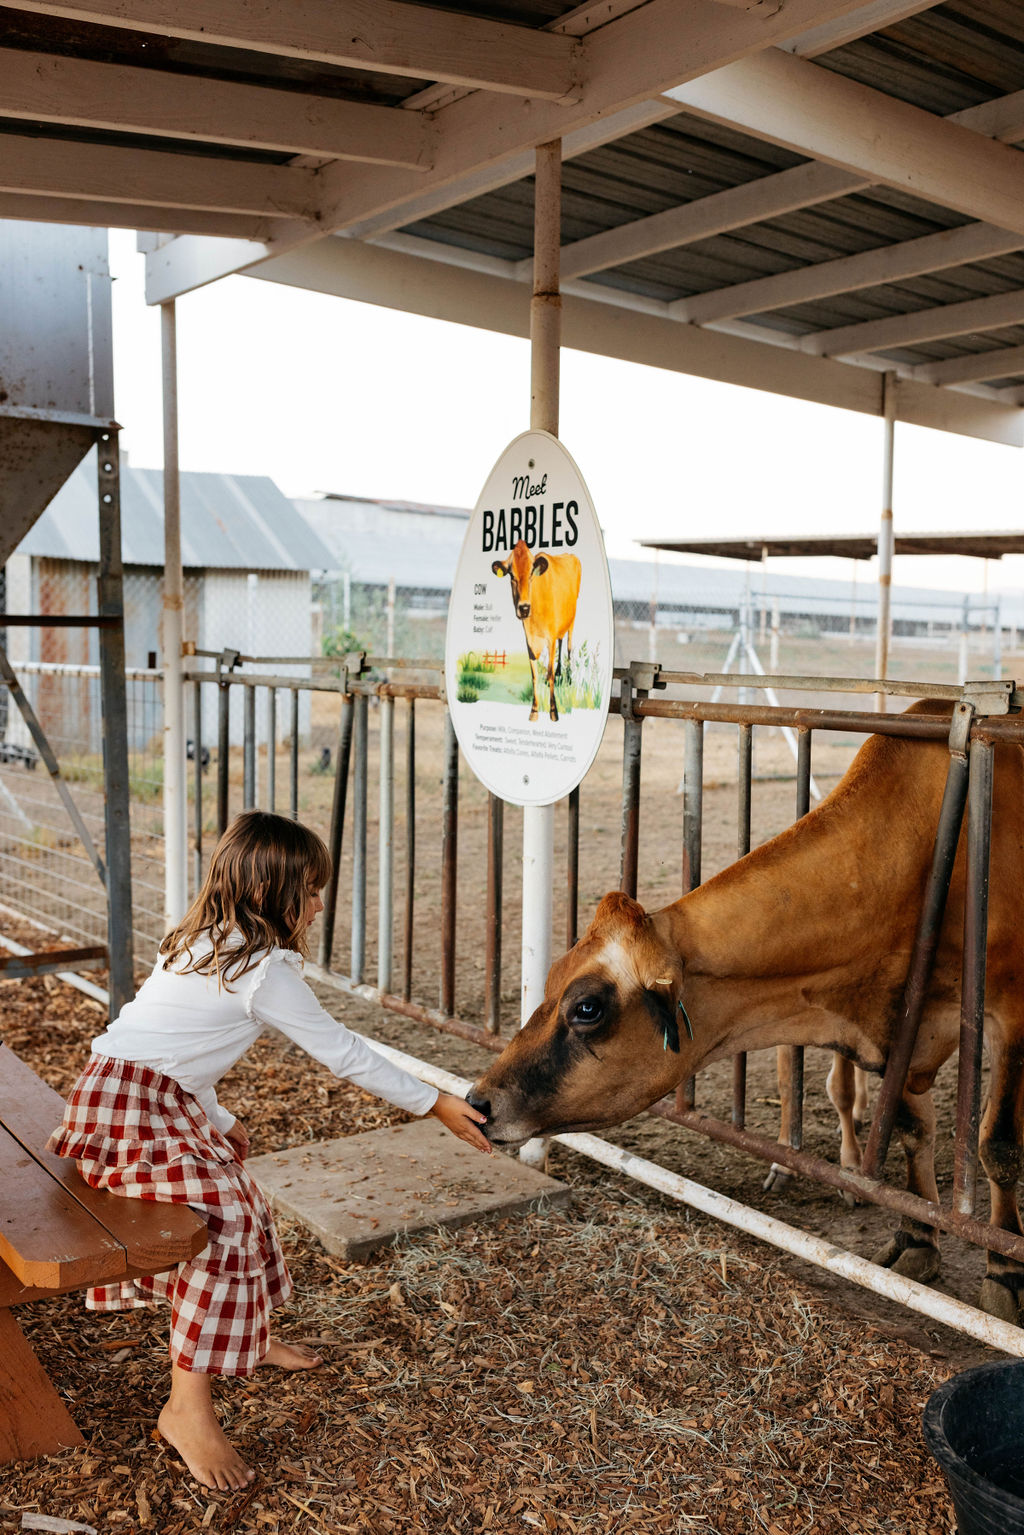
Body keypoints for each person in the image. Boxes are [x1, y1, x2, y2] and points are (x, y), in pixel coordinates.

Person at [47, 809, 489, 1492]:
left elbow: (174, 1043)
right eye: (310, 889)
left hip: (139, 1095)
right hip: (131, 1110)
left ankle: (243, 1339)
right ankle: (185, 1408)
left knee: (245, 1202)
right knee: (216, 1224)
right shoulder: (257, 967)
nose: (318, 902)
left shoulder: (209, 940)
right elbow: (341, 1052)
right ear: (269, 894)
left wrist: (216, 1116)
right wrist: (432, 1102)